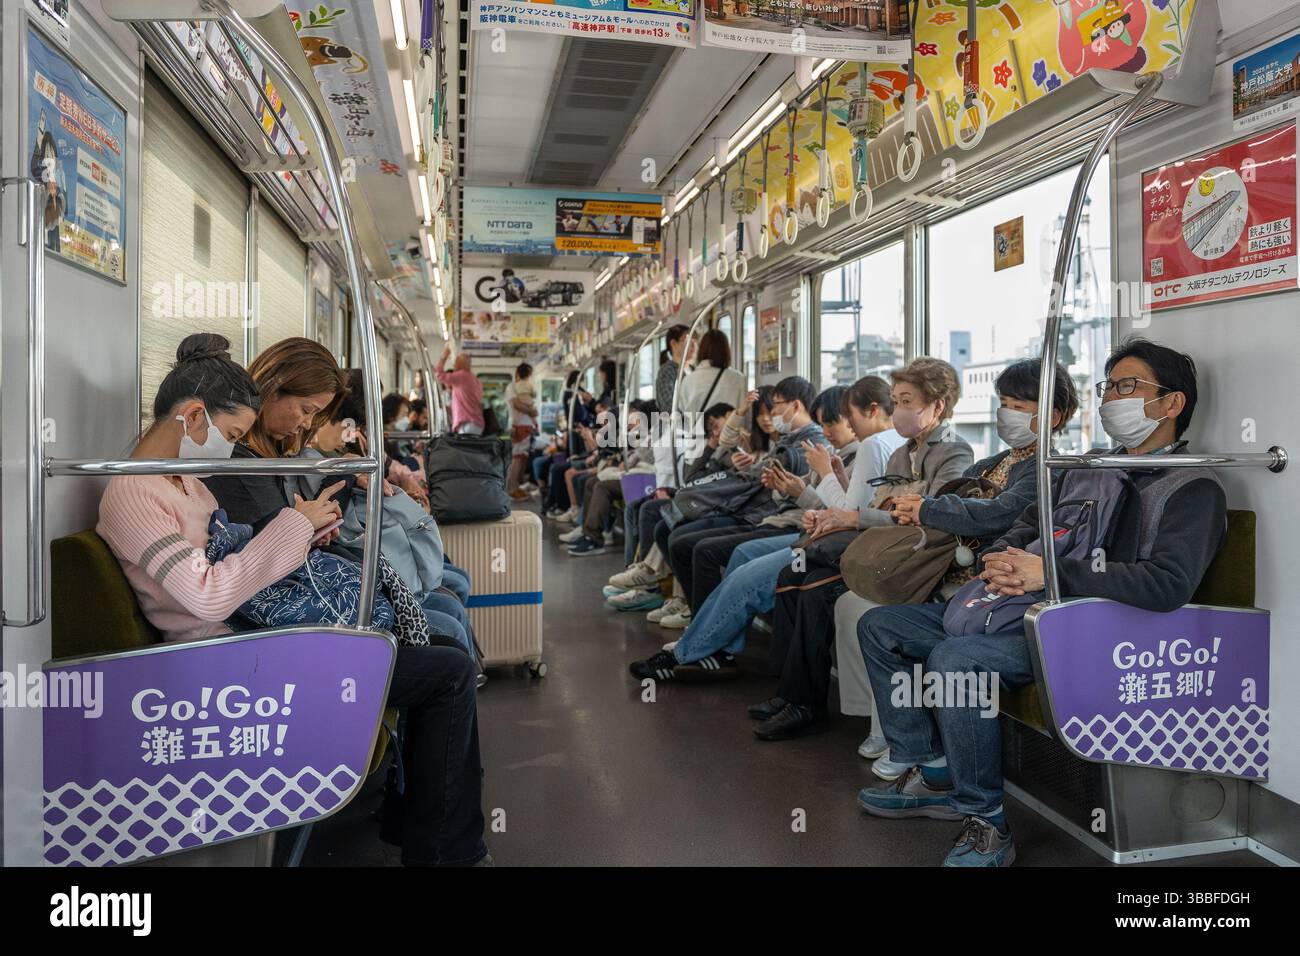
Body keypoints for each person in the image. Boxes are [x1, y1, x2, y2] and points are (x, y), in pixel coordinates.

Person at [98, 334, 489, 866]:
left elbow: (236, 557)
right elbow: (207, 596)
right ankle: (445, 853)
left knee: (441, 655)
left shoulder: (182, 482)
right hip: (228, 658)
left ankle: (425, 831)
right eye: (230, 434)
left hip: (254, 634)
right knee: (447, 671)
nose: (230, 450)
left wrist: (301, 533)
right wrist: (291, 528)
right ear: (193, 417)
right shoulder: (133, 496)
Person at [857, 339, 1224, 867]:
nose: (1111, 399)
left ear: (1172, 404)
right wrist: (1006, 562)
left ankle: (984, 821)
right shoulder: (1085, 467)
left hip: (1092, 633)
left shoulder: (1191, 486)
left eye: (1127, 386)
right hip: (1021, 611)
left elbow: (1166, 585)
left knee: (956, 660)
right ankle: (930, 766)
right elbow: (1031, 528)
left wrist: (1048, 574)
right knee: (881, 627)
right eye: (1108, 387)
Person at [753, 357, 972, 740]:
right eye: (897, 401)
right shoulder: (903, 451)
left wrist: (854, 518)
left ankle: (804, 704)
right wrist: (848, 515)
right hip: (886, 550)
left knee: (815, 588)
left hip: (916, 562)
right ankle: (796, 697)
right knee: (804, 578)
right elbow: (885, 507)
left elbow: (931, 518)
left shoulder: (954, 453)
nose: (898, 410)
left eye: (906, 401)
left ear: (936, 406)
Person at [628, 376, 900, 681]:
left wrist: (818, 481)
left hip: (822, 538)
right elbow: (846, 508)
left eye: (839, 421)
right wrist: (813, 489)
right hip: (810, 529)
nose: (831, 431)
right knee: (731, 553)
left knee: (729, 560)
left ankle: (691, 649)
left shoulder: (860, 448)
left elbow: (849, 513)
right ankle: (713, 645)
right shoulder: (865, 448)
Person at [505, 363, 540, 500]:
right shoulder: (513, 387)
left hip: (525, 425)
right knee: (517, 459)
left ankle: (516, 487)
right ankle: (512, 489)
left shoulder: (523, 387)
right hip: (519, 425)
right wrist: (531, 411)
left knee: (521, 458)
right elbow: (516, 404)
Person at [435, 346, 486, 435]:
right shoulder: (474, 379)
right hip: (474, 424)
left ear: (462, 364)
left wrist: (444, 356)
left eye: (456, 361)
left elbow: (439, 375)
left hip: (468, 425)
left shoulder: (462, 376)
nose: (454, 364)